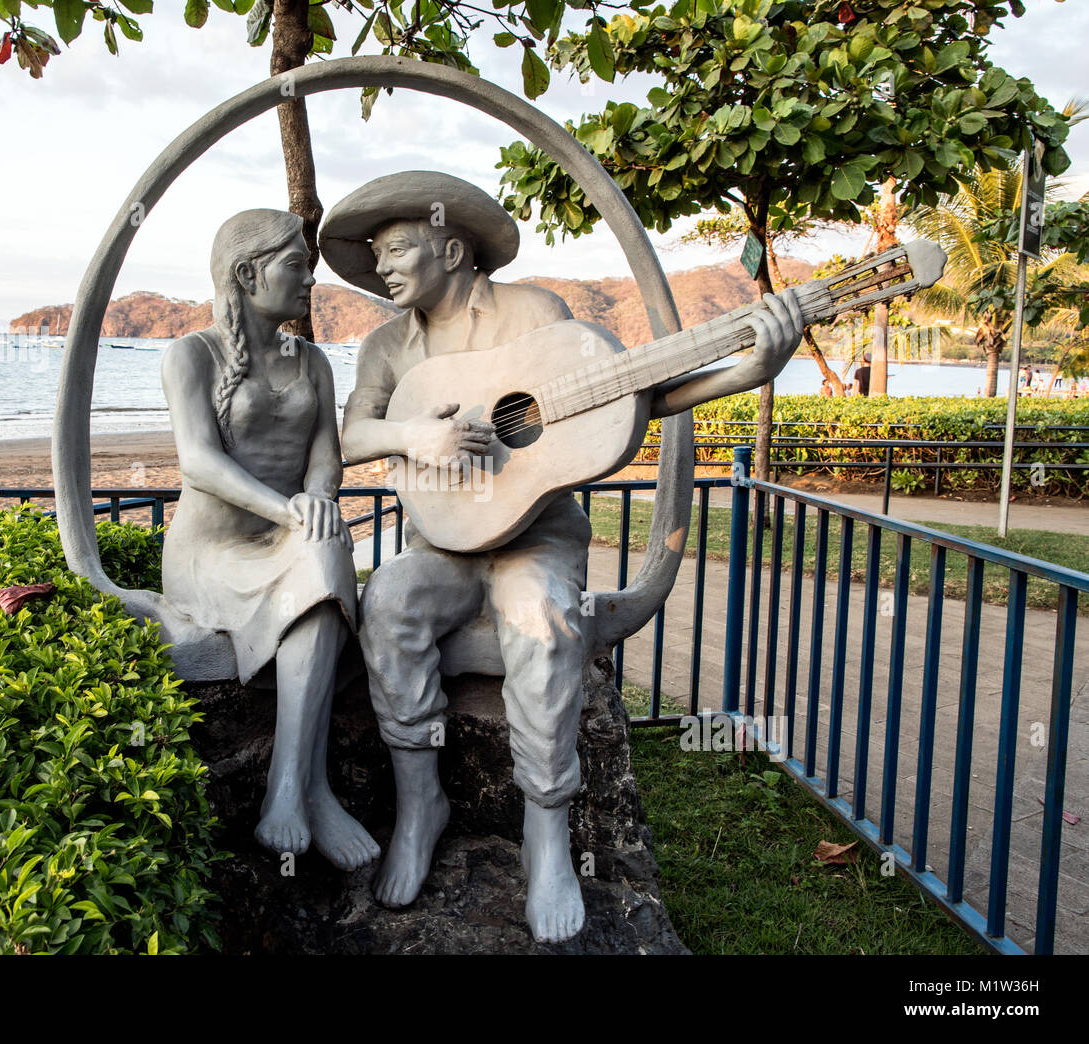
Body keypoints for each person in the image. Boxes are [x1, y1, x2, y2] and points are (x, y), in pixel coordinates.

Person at [327, 171, 804, 942]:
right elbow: (352, 437)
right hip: (443, 543)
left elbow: (632, 395)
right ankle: (421, 806)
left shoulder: (536, 315)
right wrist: (414, 436)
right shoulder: (386, 345)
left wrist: (747, 370)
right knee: (387, 602)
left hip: (535, 537)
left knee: (543, 621)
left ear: (453, 245)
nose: (382, 266)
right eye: (376, 253)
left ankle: (546, 834)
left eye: (397, 248)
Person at [158, 209, 377, 871]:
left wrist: (315, 498)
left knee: (325, 545)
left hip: (284, 544)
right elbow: (198, 461)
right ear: (248, 273)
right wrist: (292, 515)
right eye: (295, 263)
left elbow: (326, 457)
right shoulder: (190, 355)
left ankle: (294, 790)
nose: (311, 277)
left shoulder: (313, 361)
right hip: (209, 558)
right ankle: (312, 790)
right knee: (318, 550)